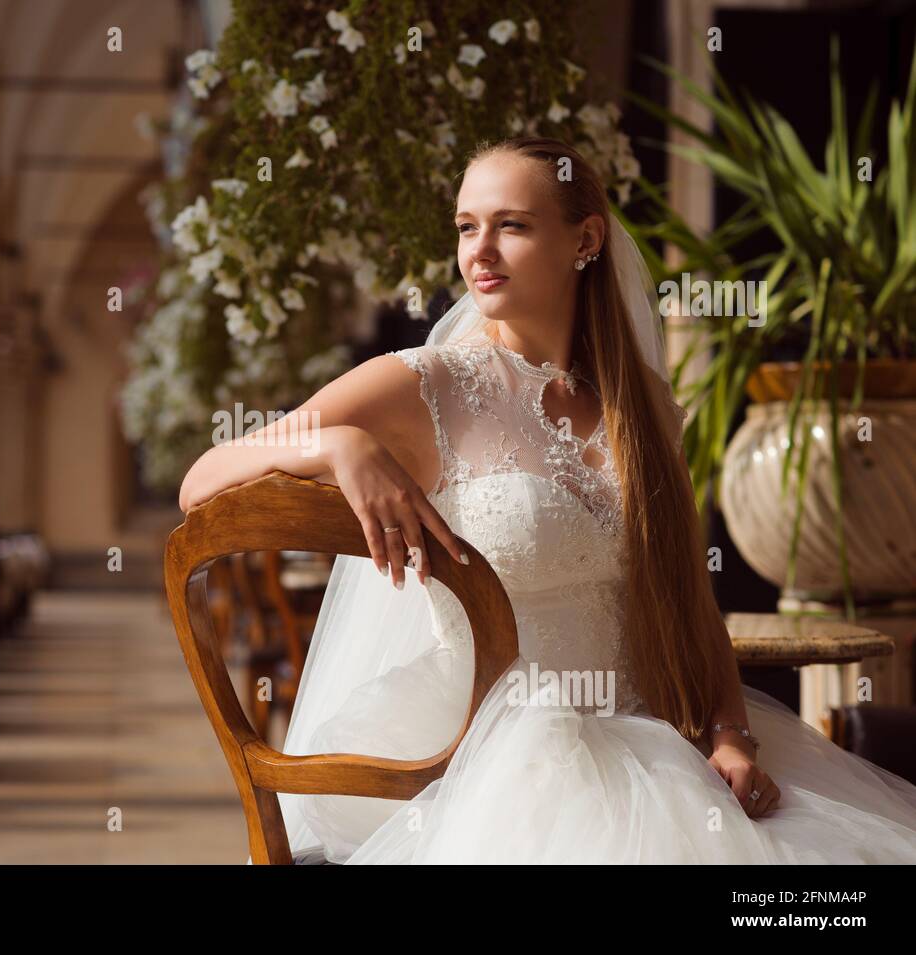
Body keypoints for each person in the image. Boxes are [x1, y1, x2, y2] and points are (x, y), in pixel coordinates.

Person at [178, 137, 916, 863]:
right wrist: (340, 445)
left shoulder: (643, 404)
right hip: (487, 753)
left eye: (512, 225)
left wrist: (730, 735)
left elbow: (691, 595)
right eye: (467, 227)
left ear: (586, 239)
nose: (480, 250)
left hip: (653, 740)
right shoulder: (425, 383)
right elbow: (203, 478)